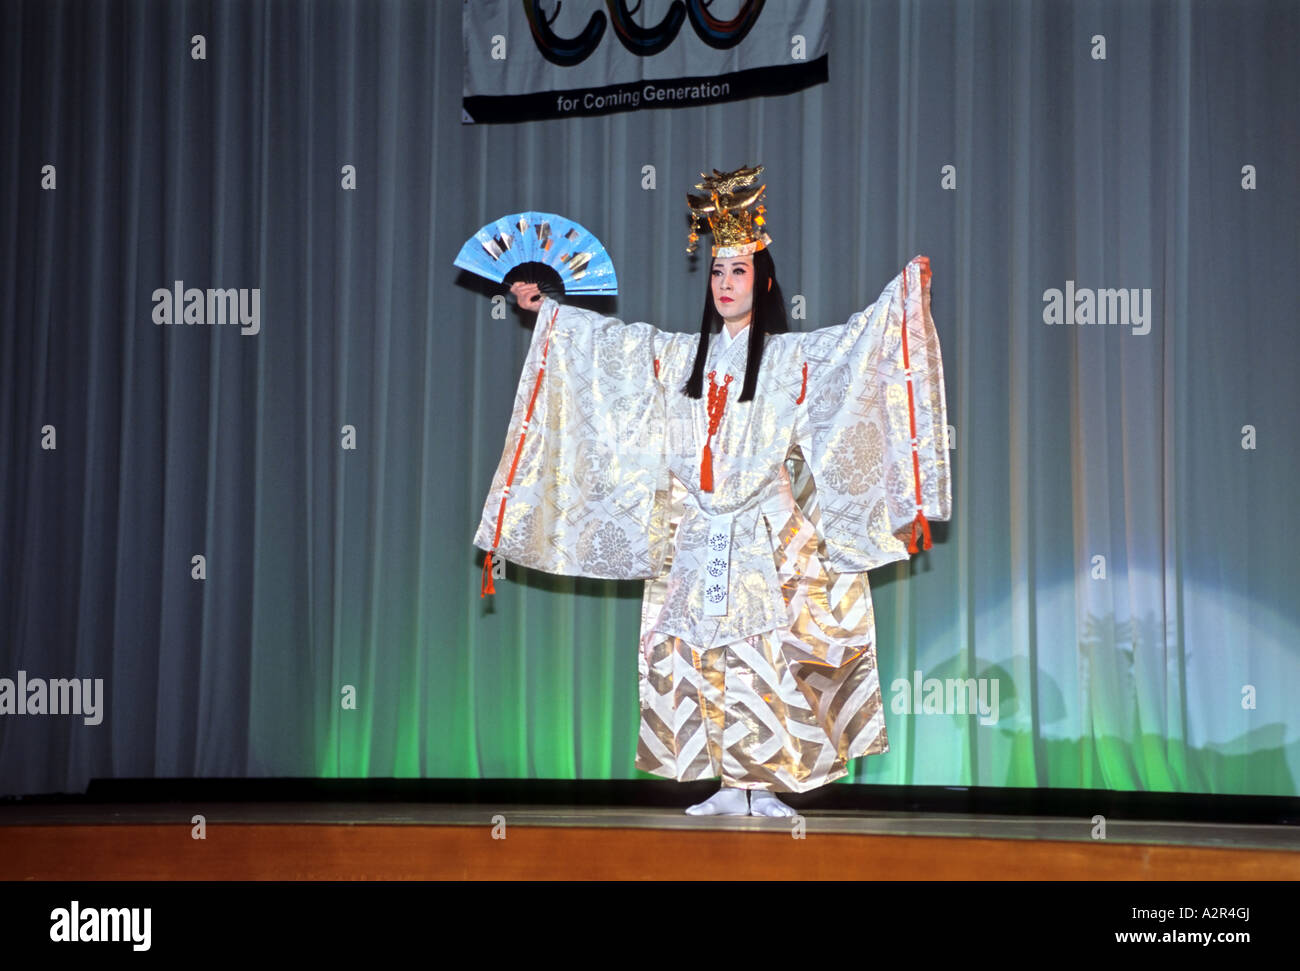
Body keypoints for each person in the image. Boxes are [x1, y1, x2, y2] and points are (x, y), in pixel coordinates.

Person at [474, 165, 951, 817]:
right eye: (718, 272)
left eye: (739, 272)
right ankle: (728, 781)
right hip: (699, 529)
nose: (726, 284)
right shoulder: (679, 359)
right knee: (701, 654)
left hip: (765, 531)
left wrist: (901, 301)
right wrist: (551, 312)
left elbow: (855, 349)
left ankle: (768, 781)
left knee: (767, 657)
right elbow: (610, 347)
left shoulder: (790, 357)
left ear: (764, 280)